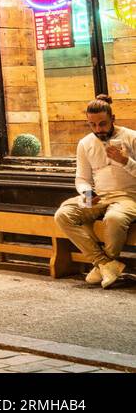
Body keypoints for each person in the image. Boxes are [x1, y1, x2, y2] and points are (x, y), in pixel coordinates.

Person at [54, 94, 136, 289]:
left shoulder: (131, 137)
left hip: (128, 196)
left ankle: (102, 265)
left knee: (114, 219)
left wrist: (125, 161)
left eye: (103, 124)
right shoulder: (85, 143)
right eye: (93, 125)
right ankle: (106, 263)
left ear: (113, 119)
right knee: (63, 215)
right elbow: (82, 178)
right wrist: (86, 192)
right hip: (99, 196)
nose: (99, 129)